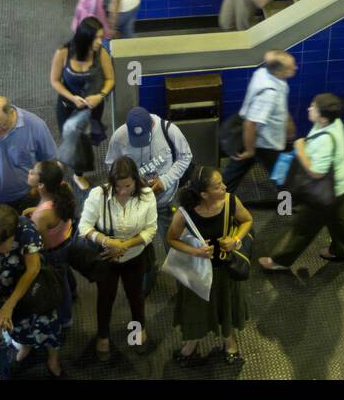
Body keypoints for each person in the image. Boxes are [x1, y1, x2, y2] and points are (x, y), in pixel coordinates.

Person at [258, 93, 344, 273]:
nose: (309, 109)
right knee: (337, 219)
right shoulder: (334, 123)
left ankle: (281, 260)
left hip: (324, 192)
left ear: (324, 118)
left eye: (314, 108)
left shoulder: (326, 140)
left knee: (304, 228)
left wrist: (300, 148)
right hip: (340, 186)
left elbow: (317, 173)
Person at [168, 167, 253, 365]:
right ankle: (194, 340)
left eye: (222, 183)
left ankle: (228, 338)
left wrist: (235, 239)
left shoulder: (231, 201)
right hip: (198, 271)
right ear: (204, 194)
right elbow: (171, 239)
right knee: (196, 308)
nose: (224, 187)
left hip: (224, 270)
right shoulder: (184, 213)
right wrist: (196, 251)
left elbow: (247, 220)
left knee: (226, 304)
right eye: (218, 186)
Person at [78, 157, 158, 361]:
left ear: (136, 181)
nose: (123, 191)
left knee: (136, 296)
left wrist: (124, 246)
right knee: (105, 298)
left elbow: (151, 229)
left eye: (128, 186)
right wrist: (106, 241)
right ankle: (103, 335)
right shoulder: (98, 195)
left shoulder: (147, 195)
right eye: (118, 186)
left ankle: (137, 331)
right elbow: (84, 227)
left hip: (134, 256)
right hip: (106, 258)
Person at [0, 205, 65, 376]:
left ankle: (53, 358)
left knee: (49, 325)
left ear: (13, 234)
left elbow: (33, 269)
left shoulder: (27, 231)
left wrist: (10, 304)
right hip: (4, 292)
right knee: (16, 328)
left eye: (2, 243)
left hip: (35, 290)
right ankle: (26, 347)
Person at [106, 106, 192, 251]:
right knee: (139, 245)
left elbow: (185, 156)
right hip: (136, 203)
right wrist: (132, 183)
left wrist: (165, 181)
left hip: (165, 200)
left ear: (152, 125)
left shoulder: (169, 130)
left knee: (172, 241)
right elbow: (111, 165)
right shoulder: (119, 137)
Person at [50, 18, 116, 189]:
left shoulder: (101, 53)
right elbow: (55, 81)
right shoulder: (63, 52)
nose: (100, 42)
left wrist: (100, 96)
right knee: (68, 135)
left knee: (84, 143)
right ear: (85, 38)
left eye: (101, 37)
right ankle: (64, 159)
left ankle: (78, 174)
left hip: (91, 109)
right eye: (96, 38)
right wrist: (72, 98)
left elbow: (110, 79)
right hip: (67, 107)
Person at [224, 50, 296, 194]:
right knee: (283, 177)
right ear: (279, 71)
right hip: (265, 143)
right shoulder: (268, 94)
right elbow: (250, 123)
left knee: (232, 175)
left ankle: (221, 203)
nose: (295, 68)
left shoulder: (265, 73)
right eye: (291, 67)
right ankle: (286, 208)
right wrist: (250, 150)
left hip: (258, 140)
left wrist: (288, 123)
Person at [23, 160, 77, 323]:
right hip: (66, 239)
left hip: (54, 252)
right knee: (65, 271)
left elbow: (43, 244)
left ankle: (66, 318)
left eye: (33, 172)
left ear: (41, 185)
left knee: (58, 284)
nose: (29, 171)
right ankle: (74, 291)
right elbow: (52, 213)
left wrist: (34, 217)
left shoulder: (42, 216)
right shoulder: (63, 189)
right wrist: (36, 211)